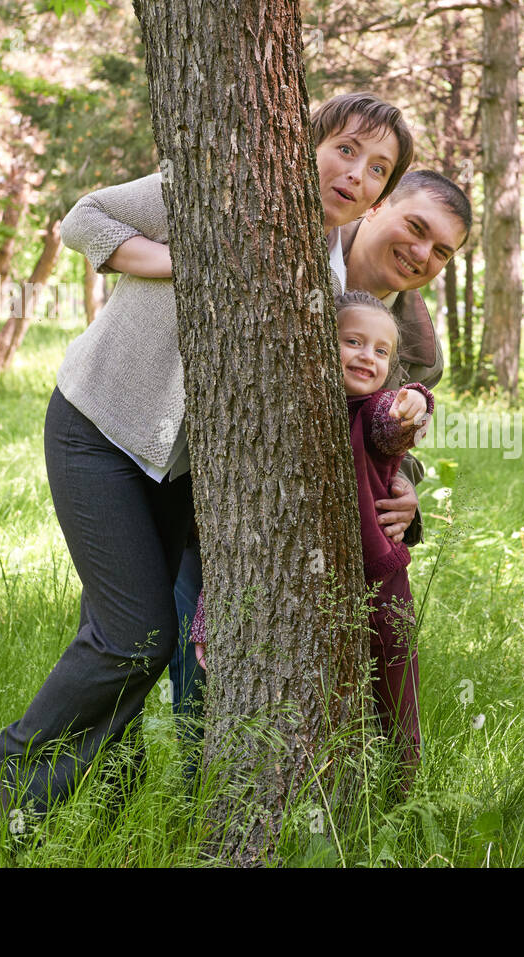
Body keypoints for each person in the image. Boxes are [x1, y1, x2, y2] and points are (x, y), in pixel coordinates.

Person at [0, 92, 415, 823]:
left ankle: (92, 801)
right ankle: (10, 776)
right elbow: (85, 220)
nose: (356, 174)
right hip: (99, 427)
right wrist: (189, 264)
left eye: (378, 169)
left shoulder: (334, 283)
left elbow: (347, 406)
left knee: (128, 635)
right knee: (134, 636)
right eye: (346, 149)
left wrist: (400, 479)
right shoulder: (215, 184)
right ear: (305, 143)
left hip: (183, 471)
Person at [167, 169, 472, 771]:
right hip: (200, 487)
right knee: (165, 651)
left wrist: (406, 481)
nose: (422, 255)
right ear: (379, 206)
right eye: (416, 229)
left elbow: (391, 428)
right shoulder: (291, 248)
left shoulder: (417, 343)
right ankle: (176, 801)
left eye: (442, 251)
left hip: (330, 538)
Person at [192, 291, 432, 783]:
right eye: (353, 341)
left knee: (395, 690)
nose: (368, 355)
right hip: (299, 578)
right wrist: (207, 614)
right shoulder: (281, 417)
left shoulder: (372, 416)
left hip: (380, 581)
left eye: (382, 351)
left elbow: (394, 422)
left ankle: (404, 789)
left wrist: (416, 401)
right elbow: (238, 537)